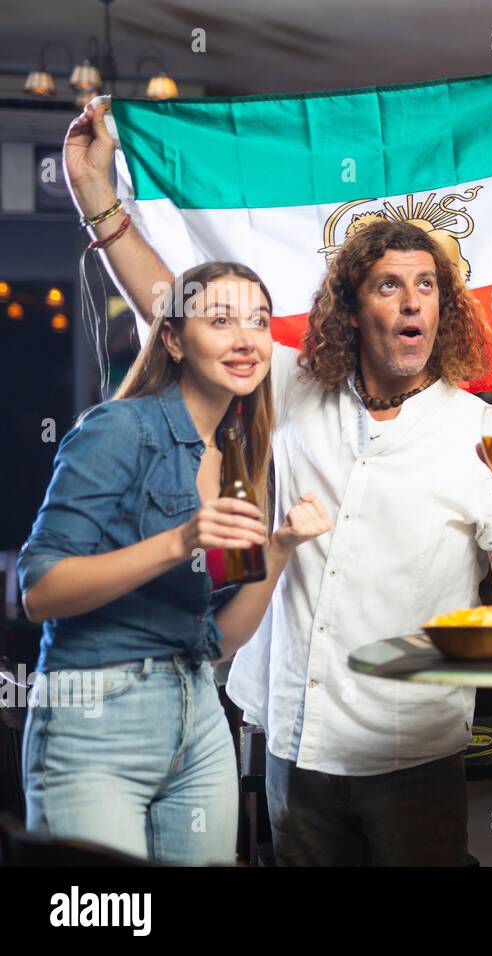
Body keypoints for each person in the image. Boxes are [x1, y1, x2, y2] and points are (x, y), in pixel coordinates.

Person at [63, 100, 492, 865]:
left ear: (444, 307)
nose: (412, 300)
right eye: (389, 285)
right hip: (291, 739)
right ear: (355, 309)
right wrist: (95, 195)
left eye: (426, 285)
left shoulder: (485, 435)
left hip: (412, 751)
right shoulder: (293, 386)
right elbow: (182, 310)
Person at [18, 262, 331, 864]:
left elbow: (215, 642)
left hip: (199, 716)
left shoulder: (238, 453)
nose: (246, 339)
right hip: (96, 715)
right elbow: (39, 589)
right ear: (172, 339)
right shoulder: (119, 429)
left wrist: (281, 549)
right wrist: (180, 539)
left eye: (258, 322)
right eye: (221, 321)